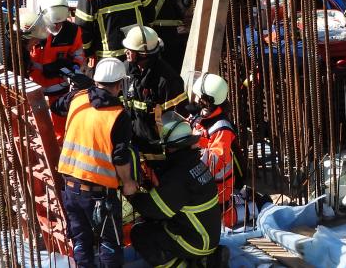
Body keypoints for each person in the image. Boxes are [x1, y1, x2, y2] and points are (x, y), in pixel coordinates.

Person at [55, 57, 139, 268]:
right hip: (98, 193)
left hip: (70, 188)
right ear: (119, 84)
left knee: (80, 239)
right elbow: (120, 157)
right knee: (109, 242)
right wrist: (128, 182)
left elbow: (57, 106)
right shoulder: (118, 115)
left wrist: (80, 88)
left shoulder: (77, 98)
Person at [127, 117, 224, 268]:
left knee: (141, 234)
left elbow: (155, 209)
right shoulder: (195, 164)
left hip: (196, 242)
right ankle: (205, 261)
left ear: (172, 146)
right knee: (159, 225)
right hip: (208, 238)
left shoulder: (178, 175)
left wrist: (132, 195)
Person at [22, 0, 87, 142]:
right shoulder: (33, 28)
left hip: (58, 88)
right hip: (33, 86)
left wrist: (74, 67)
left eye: (60, 23)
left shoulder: (73, 31)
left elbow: (78, 53)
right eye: (54, 23)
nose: (57, 27)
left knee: (60, 129)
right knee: (36, 129)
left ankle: (58, 150)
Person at [122, 26, 187, 161]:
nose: (125, 51)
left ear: (143, 54)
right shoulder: (125, 70)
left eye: (130, 49)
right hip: (133, 149)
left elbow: (178, 118)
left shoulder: (168, 80)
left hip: (158, 154)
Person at [189, 73, 240, 229]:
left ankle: (255, 206)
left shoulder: (221, 128)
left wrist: (194, 144)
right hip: (204, 182)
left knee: (225, 221)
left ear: (207, 101)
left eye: (198, 97)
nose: (195, 100)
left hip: (219, 187)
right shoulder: (203, 117)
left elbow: (215, 161)